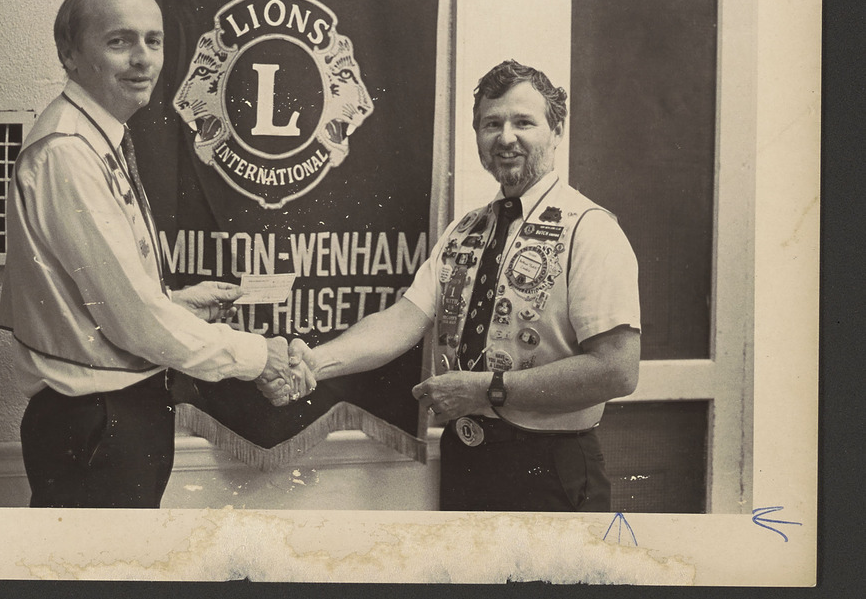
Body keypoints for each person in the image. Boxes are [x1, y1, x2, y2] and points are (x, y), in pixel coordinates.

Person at [0, 0, 313, 508]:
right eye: (119, 41)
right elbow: (135, 321)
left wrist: (175, 304)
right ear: (69, 54)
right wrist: (261, 358)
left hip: (113, 413)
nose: (143, 59)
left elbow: (101, 299)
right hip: (98, 419)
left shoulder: (98, 134)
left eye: (154, 41)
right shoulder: (67, 153)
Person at [271, 59, 640, 512]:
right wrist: (319, 361)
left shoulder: (590, 229)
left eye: (524, 122)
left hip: (550, 467)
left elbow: (617, 370)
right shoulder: (466, 230)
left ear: (557, 130)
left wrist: (487, 389)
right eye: (492, 124)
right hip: (468, 459)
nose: (506, 138)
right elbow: (404, 318)